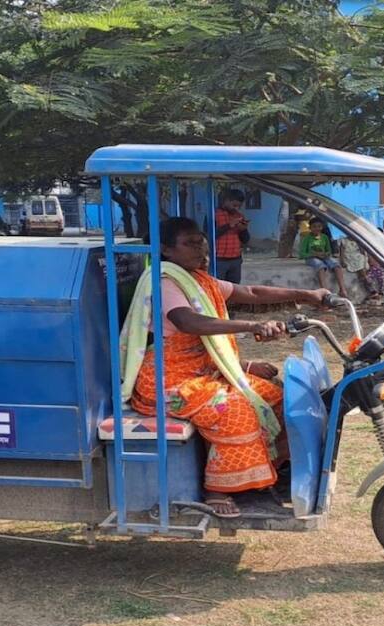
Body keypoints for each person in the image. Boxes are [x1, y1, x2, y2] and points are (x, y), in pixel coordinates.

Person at [119, 217, 329, 518]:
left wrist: (306, 295)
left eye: (201, 240)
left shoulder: (200, 280)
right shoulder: (165, 283)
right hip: (169, 381)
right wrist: (253, 325)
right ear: (166, 249)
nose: (200, 248)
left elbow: (252, 294)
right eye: (189, 243)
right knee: (233, 410)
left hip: (203, 373)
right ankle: (218, 488)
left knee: (275, 396)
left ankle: (268, 472)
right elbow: (189, 322)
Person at [299, 220, 349, 298]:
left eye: (319, 226)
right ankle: (325, 292)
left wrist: (326, 254)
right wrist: (314, 254)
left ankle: (343, 290)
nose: (317, 228)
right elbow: (301, 254)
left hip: (324, 257)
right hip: (311, 258)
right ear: (310, 228)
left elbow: (328, 250)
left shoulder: (324, 237)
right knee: (321, 266)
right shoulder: (307, 238)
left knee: (336, 265)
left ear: (322, 227)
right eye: (314, 227)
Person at [214, 189, 249, 283]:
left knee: (234, 289)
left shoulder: (239, 216)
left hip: (236, 260)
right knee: (218, 288)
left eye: (239, 206)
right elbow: (210, 235)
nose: (236, 208)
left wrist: (243, 229)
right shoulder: (213, 215)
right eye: (234, 205)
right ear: (226, 201)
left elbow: (245, 240)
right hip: (218, 260)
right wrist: (229, 225)